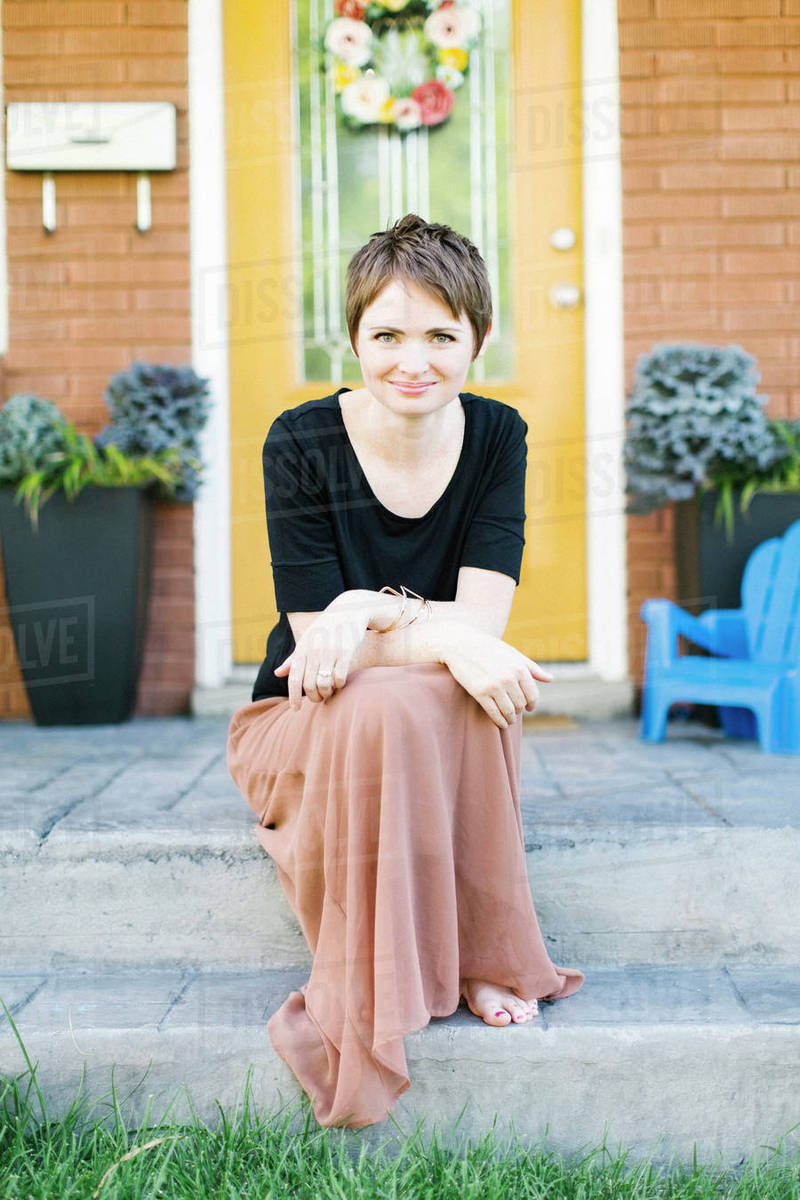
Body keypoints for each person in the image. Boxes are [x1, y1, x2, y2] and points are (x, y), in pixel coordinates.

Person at [226, 212, 584, 1130]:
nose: (411, 361)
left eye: (440, 336)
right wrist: (361, 620)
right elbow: (317, 649)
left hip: (433, 720)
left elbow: (483, 631)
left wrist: (371, 608)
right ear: (352, 338)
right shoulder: (300, 441)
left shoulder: (498, 436)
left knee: (459, 683)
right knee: (403, 692)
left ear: (480, 340)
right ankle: (463, 956)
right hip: (300, 722)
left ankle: (482, 952)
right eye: (386, 335)